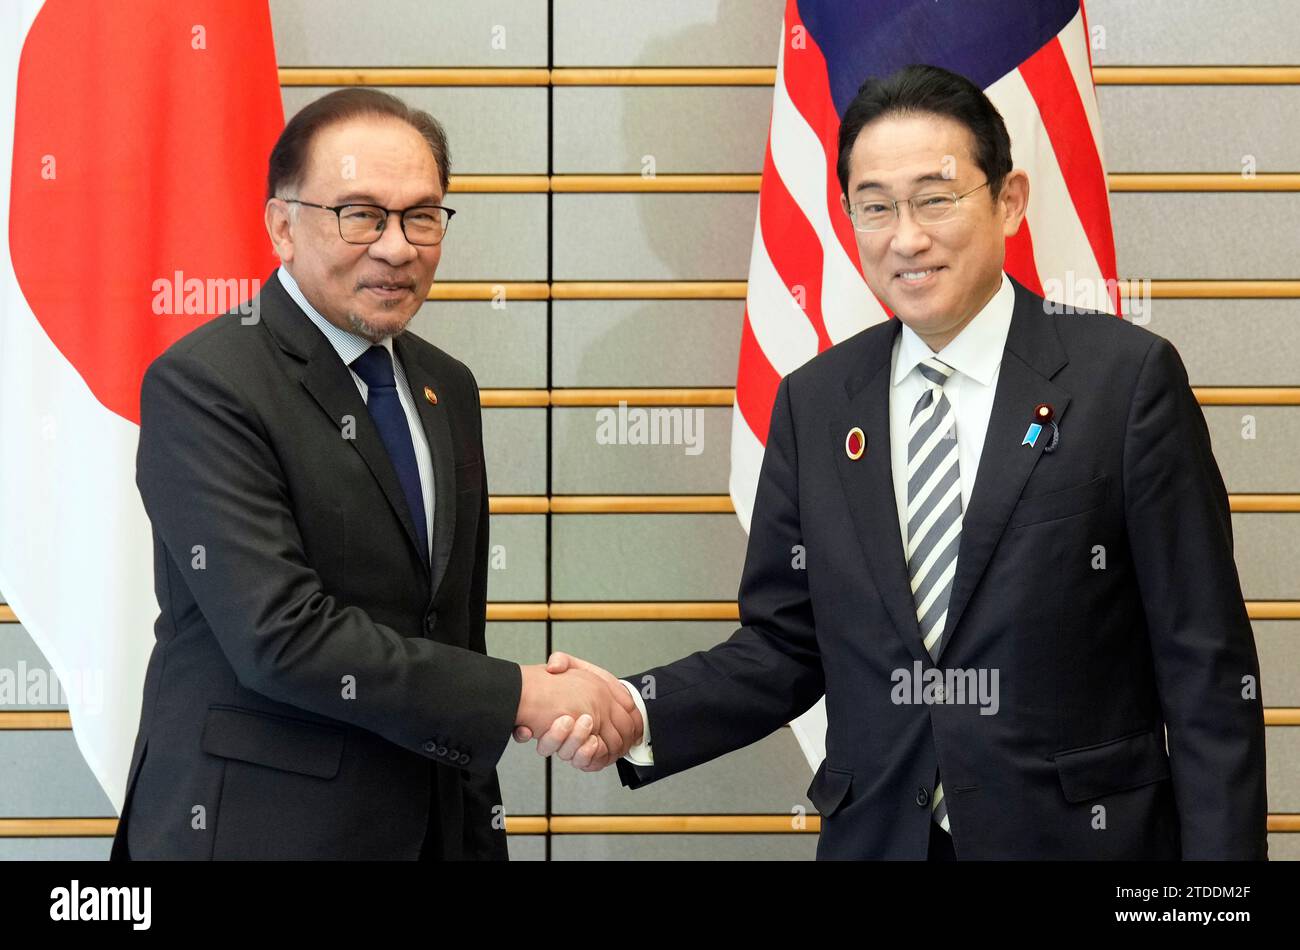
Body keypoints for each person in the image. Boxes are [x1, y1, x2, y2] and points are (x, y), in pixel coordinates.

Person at [519, 64, 1268, 860]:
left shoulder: (1125, 381)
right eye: (874, 207)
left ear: (1008, 199)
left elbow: (1205, 668)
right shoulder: (817, 402)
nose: (905, 237)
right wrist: (638, 709)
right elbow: (785, 644)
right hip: (880, 839)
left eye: (935, 198)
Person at [111, 88, 640, 861]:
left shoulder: (444, 386)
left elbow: (448, 630)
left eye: (422, 216)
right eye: (359, 214)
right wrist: (524, 693)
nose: (396, 247)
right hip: (259, 835)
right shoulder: (206, 383)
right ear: (281, 226)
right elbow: (281, 635)